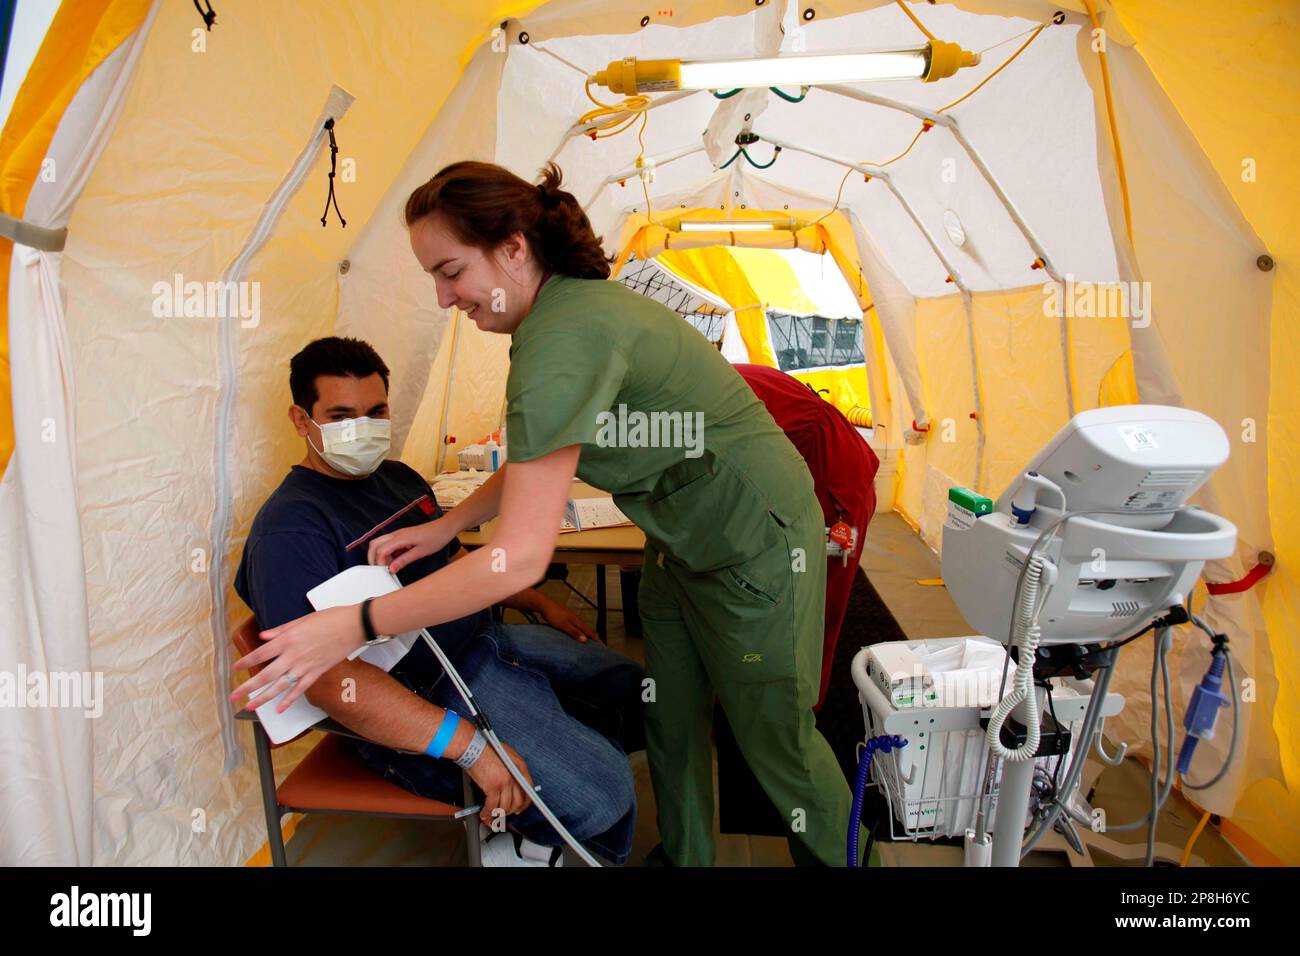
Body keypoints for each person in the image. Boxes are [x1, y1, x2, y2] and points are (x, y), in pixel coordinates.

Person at [231, 161, 860, 866]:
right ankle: (688, 859)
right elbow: (537, 459)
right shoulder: (554, 322)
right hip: (672, 544)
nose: (442, 298)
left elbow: (518, 559)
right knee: (669, 715)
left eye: (450, 271)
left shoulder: (565, 338)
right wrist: (445, 525)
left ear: (513, 248)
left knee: (773, 736)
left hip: (751, 543)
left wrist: (355, 622)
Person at [233, 335, 644, 866]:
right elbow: (332, 685)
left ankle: (546, 797)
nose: (363, 428)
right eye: (341, 415)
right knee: (603, 798)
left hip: (484, 640)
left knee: (632, 693)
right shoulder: (292, 532)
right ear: (300, 419)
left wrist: (539, 602)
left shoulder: (397, 478)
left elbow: (456, 570)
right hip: (425, 696)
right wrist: (472, 749)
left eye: (376, 411)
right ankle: (533, 840)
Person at [734, 364, 879, 710]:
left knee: (820, 603)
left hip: (835, 480)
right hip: (803, 467)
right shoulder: (696, 375)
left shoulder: (688, 395)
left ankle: (804, 705)